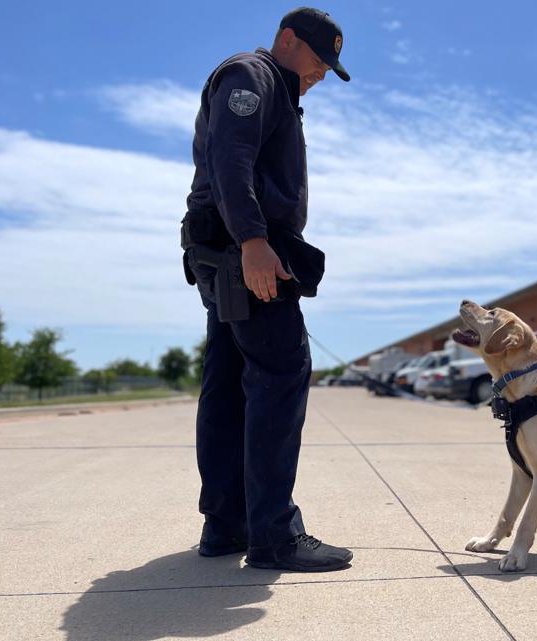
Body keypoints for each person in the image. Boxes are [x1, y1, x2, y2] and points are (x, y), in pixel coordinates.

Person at [180, 7, 352, 572]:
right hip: (243, 255)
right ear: (286, 40)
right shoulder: (253, 77)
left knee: (229, 385)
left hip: (224, 253)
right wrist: (255, 243)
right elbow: (231, 160)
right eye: (319, 60)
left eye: (330, 66)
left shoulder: (275, 88)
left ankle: (226, 524)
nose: (323, 73)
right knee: (280, 375)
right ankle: (273, 535)